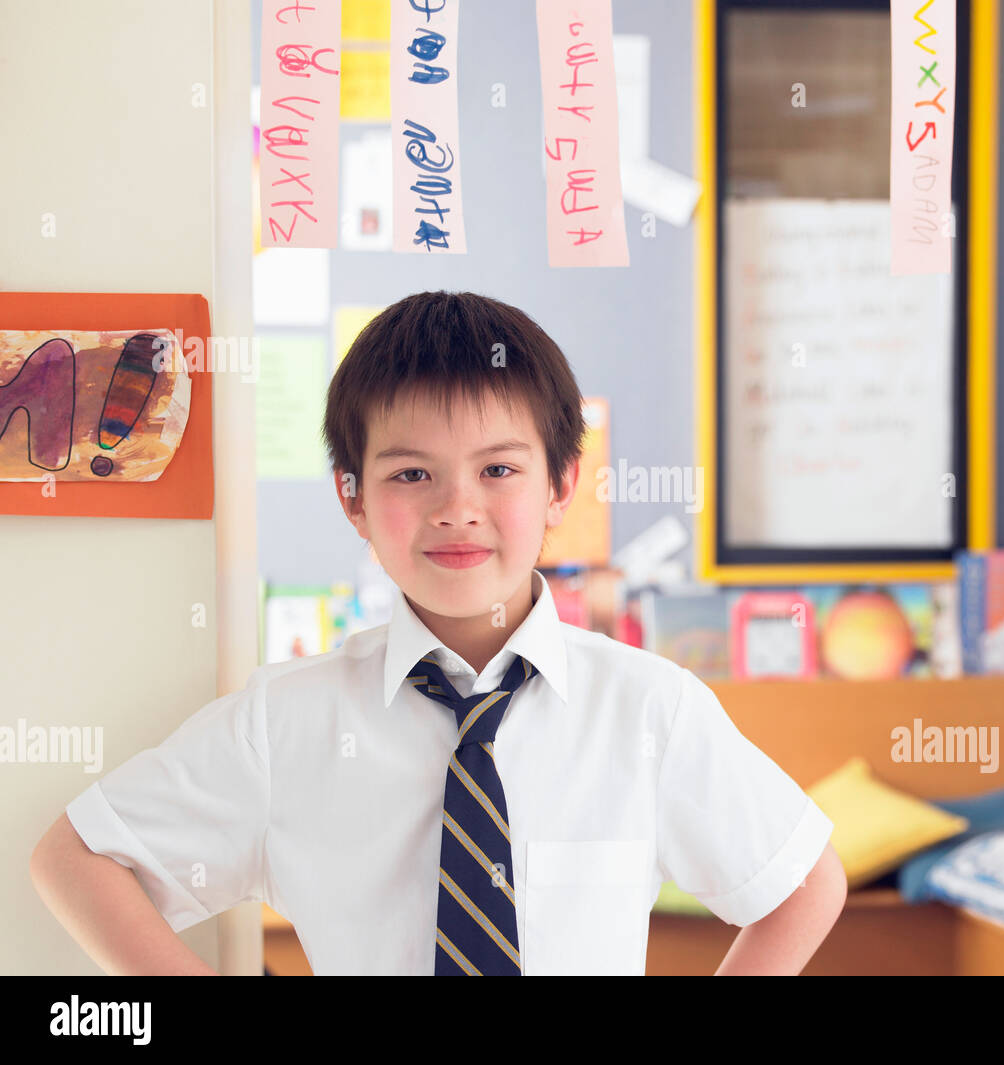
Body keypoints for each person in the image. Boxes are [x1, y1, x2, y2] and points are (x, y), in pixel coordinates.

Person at [30, 290, 846, 975]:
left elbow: (804, 882)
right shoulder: (287, 721)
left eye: (498, 469)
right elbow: (75, 858)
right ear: (352, 496)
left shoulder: (646, 707)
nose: (457, 507)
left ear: (561, 484)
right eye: (411, 473)